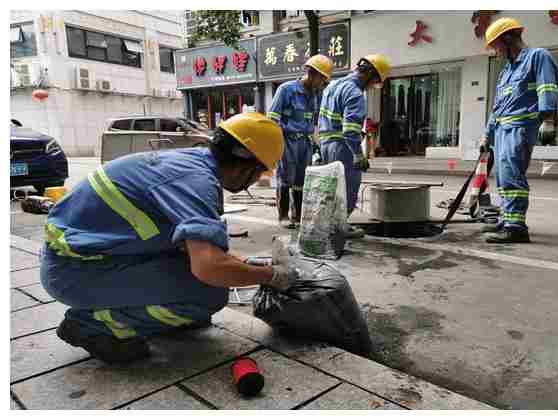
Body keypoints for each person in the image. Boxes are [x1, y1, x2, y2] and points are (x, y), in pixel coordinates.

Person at [40, 112, 296, 364]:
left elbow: (194, 247)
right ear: (246, 165)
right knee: (210, 294)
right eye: (260, 173)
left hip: (86, 259)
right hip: (75, 273)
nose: (255, 181)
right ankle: (92, 325)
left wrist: (241, 265)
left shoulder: (191, 163)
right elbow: (209, 266)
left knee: (199, 280)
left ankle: (159, 312)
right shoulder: (198, 182)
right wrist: (271, 276)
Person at [481, 18, 558, 243]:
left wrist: (548, 120)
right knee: (503, 176)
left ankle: (516, 227)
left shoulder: (538, 57)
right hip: (503, 129)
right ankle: (508, 220)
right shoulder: (506, 70)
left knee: (513, 175)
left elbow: (548, 88)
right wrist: (487, 133)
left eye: (495, 46)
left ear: (507, 38)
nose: (495, 52)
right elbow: (498, 105)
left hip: (522, 127)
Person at [318, 54, 391, 238]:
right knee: (348, 187)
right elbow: (350, 132)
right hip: (343, 148)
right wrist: (359, 156)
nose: (372, 86)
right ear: (369, 74)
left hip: (326, 144)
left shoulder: (333, 86)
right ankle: (340, 227)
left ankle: (330, 225)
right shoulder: (355, 93)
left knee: (332, 188)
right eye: (374, 82)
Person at [267, 54, 334, 228]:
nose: (323, 84)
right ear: (311, 74)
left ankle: (297, 216)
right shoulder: (286, 90)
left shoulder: (315, 95)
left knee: (301, 181)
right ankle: (283, 216)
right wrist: (276, 143)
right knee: (285, 178)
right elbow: (273, 118)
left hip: (305, 143)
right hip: (287, 141)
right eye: (322, 79)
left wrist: (316, 143)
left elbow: (314, 120)